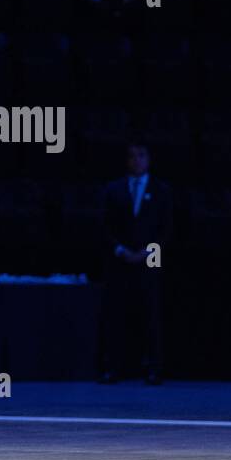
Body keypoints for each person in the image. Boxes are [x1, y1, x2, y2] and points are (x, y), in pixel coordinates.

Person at [99, 143, 172, 385]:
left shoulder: (162, 190)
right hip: (120, 262)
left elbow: (167, 229)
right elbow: (104, 226)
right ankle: (113, 368)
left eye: (141, 155)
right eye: (131, 156)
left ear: (148, 159)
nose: (136, 160)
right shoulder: (113, 189)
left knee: (151, 317)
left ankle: (154, 369)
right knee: (116, 317)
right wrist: (121, 250)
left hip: (149, 262)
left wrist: (147, 252)